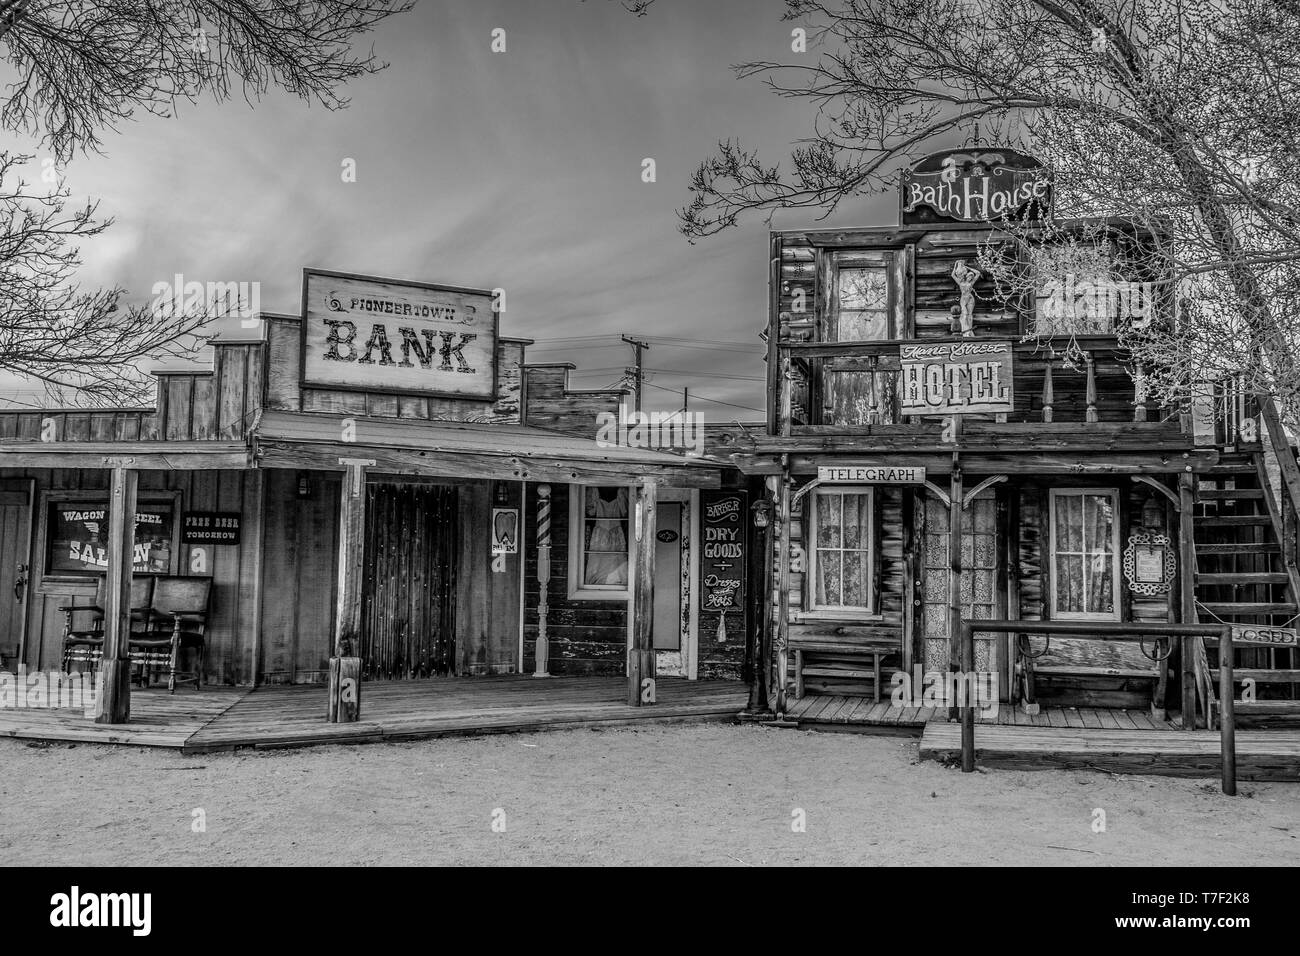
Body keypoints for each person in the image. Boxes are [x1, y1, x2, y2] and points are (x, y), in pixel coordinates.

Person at [951, 260, 981, 336]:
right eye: (969, 276)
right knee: (964, 314)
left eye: (972, 277)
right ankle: (965, 330)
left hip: (970, 298)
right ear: (966, 276)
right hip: (964, 299)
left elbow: (978, 273)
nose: (970, 278)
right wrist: (955, 265)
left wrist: (968, 268)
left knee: (970, 315)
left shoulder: (971, 283)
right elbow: (953, 275)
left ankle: (970, 331)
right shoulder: (960, 282)